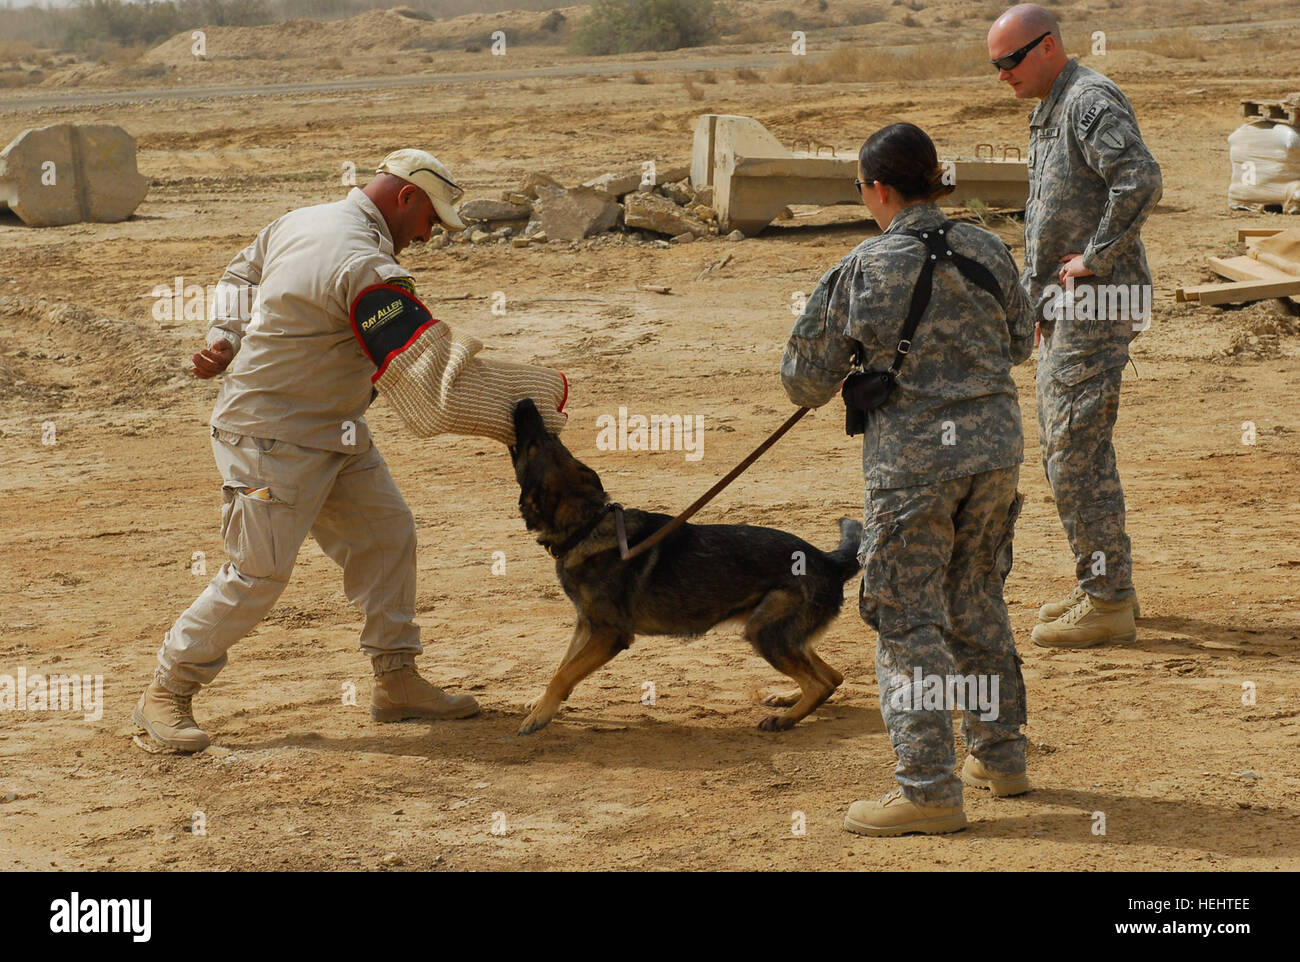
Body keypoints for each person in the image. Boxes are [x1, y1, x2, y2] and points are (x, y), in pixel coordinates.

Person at [134, 149, 486, 752]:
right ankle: (167, 690)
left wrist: (225, 335)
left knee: (385, 532)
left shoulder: (304, 219)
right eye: (431, 219)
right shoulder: (365, 263)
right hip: (268, 438)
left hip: (335, 430)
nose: (429, 235)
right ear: (405, 197)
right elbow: (420, 362)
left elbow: (241, 274)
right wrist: (514, 404)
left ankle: (396, 680)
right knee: (259, 571)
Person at [782, 123, 1037, 836]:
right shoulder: (987, 245)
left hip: (915, 469)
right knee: (976, 592)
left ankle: (927, 788)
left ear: (879, 189)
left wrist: (863, 374)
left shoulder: (866, 267)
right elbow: (1020, 340)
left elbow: (802, 380)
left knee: (904, 617)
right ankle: (1000, 755)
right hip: (994, 453)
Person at [988, 4, 1162, 648]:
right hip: (1071, 311)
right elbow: (1054, 209)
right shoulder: (1053, 106)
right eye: (995, 64)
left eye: (1010, 60)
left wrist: (1095, 258)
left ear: (1048, 47)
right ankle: (1103, 580)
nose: (1002, 74)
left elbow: (1139, 180)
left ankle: (1109, 601)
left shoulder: (1088, 102)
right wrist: (1041, 303)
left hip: (1098, 306)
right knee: (1071, 448)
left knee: (1073, 453)